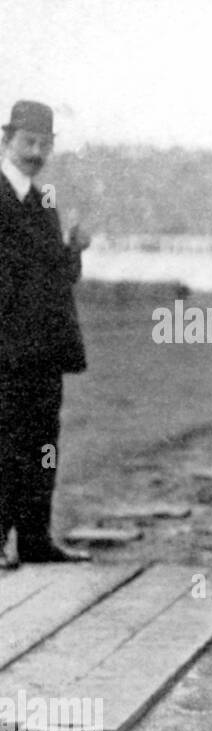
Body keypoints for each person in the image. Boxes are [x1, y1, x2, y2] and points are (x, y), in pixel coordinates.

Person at [0, 100, 92, 568]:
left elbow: (58, 277)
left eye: (44, 144)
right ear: (6, 139)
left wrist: (74, 250)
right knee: (4, 443)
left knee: (43, 446)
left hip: (41, 351)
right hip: (4, 349)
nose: (36, 153)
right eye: (28, 142)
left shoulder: (44, 201)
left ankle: (35, 539)